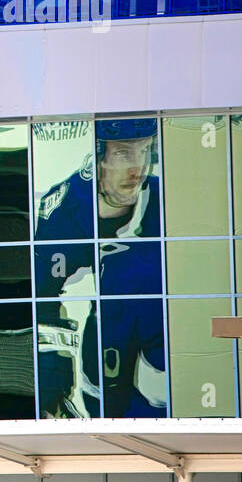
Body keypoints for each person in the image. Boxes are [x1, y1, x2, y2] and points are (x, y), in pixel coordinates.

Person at [35, 119, 166, 418]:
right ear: (98, 158)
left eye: (144, 152)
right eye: (123, 153)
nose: (138, 167)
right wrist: (52, 385)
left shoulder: (164, 199)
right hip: (103, 347)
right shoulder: (62, 214)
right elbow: (42, 301)